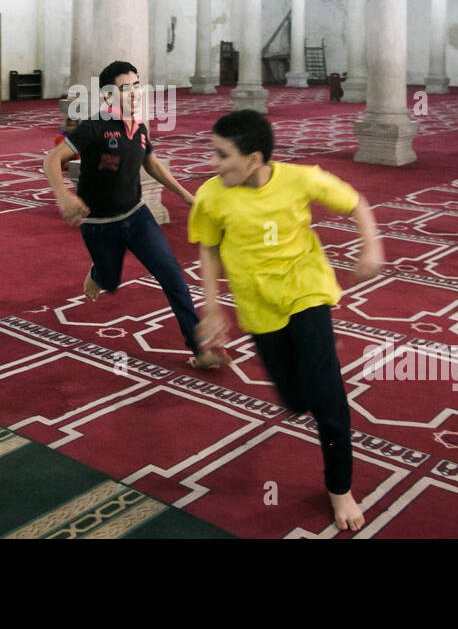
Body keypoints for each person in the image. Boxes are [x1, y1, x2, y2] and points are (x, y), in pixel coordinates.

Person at [188, 109, 384, 532]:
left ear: (254, 159)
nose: (213, 163)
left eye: (222, 155)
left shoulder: (302, 178)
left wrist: (371, 248)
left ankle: (340, 487)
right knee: (296, 401)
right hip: (258, 306)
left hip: (306, 291)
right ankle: (313, 359)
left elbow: (356, 204)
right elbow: (207, 249)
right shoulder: (211, 196)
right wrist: (213, 306)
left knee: (328, 396)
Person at [43, 60, 228, 370]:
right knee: (110, 279)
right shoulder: (94, 126)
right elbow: (52, 159)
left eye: (137, 86)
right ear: (107, 95)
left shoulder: (139, 128)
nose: (133, 93)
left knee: (173, 277)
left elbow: (151, 164)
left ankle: (200, 349)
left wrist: (185, 196)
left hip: (137, 216)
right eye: (124, 88)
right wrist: (63, 196)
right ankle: (98, 273)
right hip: (100, 226)